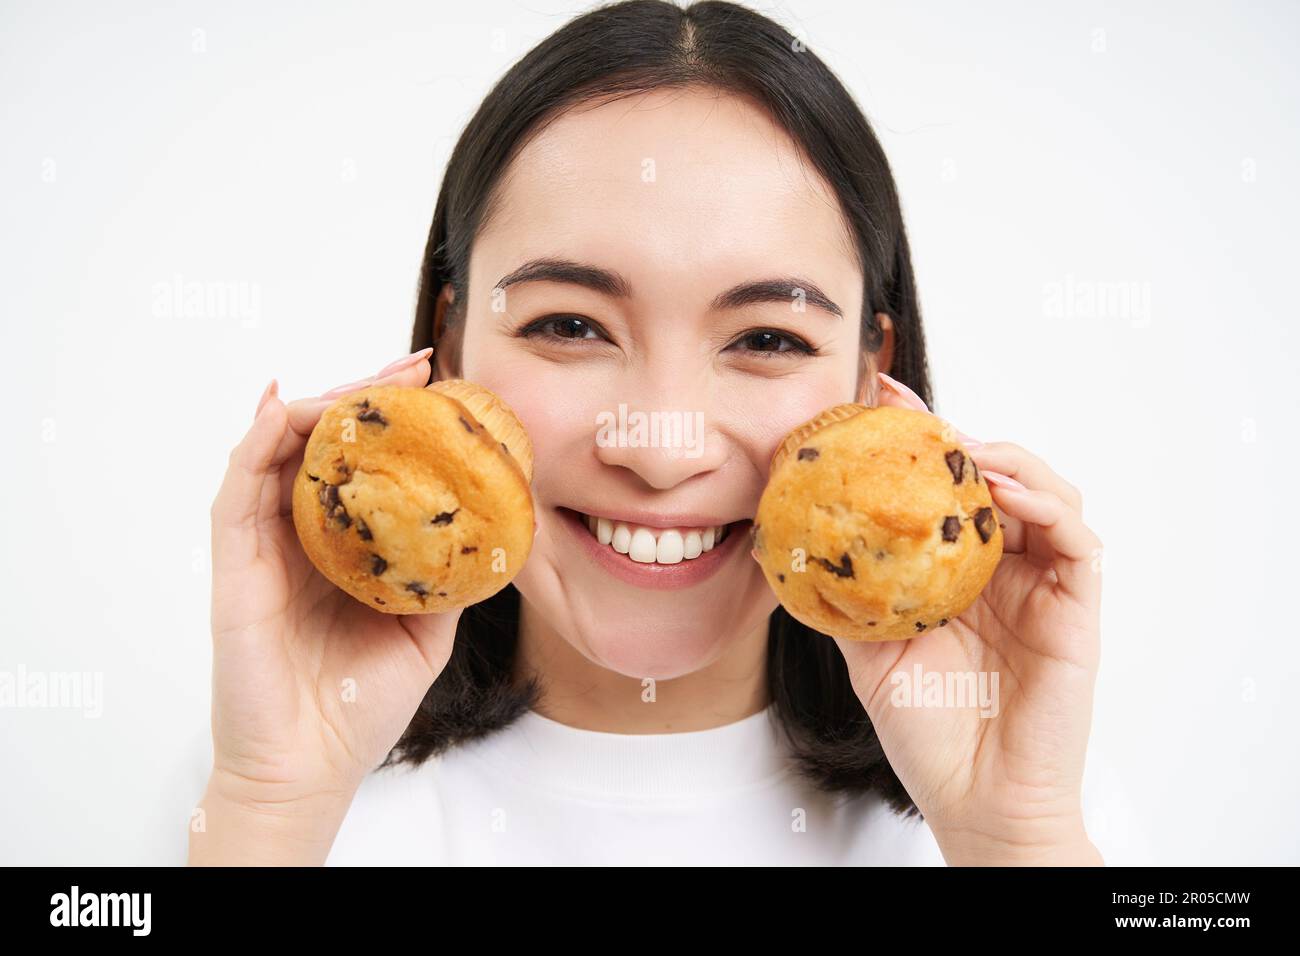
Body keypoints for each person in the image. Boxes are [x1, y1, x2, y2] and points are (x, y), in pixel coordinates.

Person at [189, 0, 1123, 866]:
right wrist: (270, 806)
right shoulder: (268, 799)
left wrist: (1012, 833)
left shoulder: (1042, 814)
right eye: (569, 326)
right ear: (451, 346)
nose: (661, 445)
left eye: (766, 338)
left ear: (873, 382)